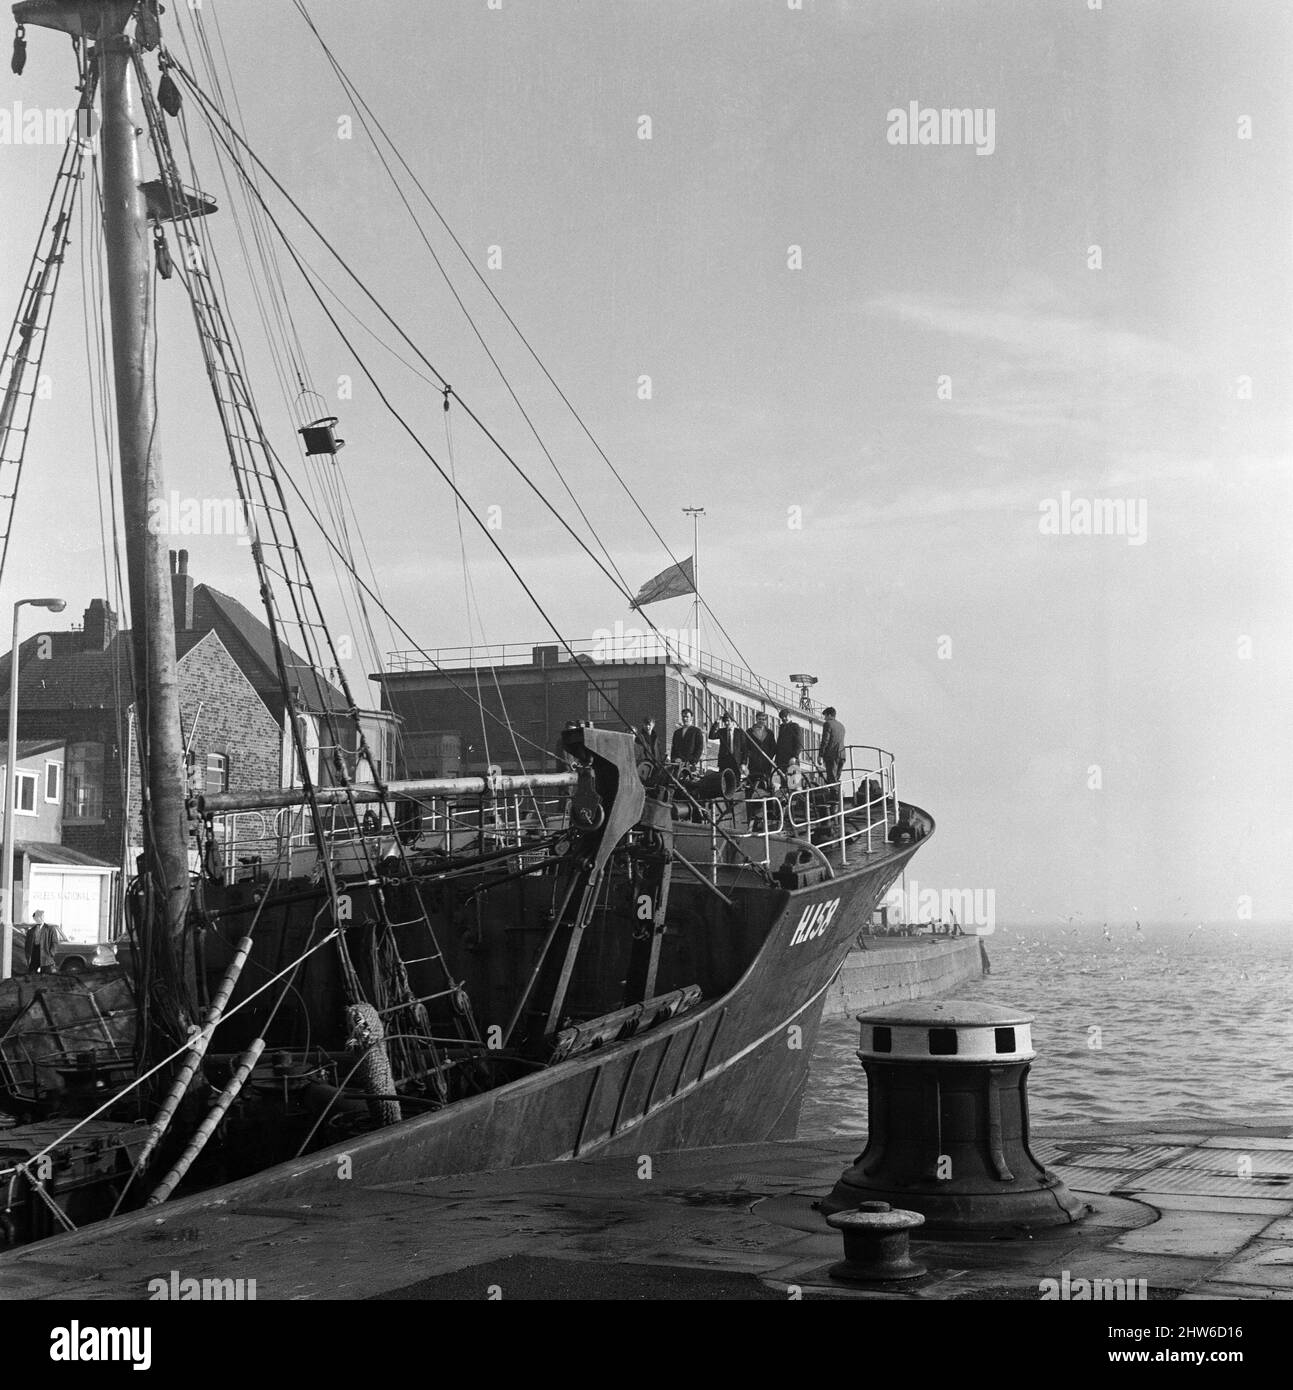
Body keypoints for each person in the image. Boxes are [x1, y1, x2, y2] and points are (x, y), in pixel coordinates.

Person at [745, 711, 778, 793]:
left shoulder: (770, 733)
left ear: (766, 721)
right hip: (754, 763)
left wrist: (768, 757)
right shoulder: (749, 732)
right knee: (753, 783)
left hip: (766, 763)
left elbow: (773, 747)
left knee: (767, 783)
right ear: (756, 719)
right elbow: (745, 747)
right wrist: (751, 756)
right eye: (759, 719)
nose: (761, 721)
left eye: (763, 719)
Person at [24, 909, 63, 974]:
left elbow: (55, 942)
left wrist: (51, 953)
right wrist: (28, 955)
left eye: (42, 916)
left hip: (46, 955)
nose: (41, 918)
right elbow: (27, 944)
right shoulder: (31, 931)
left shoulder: (50, 929)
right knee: (31, 975)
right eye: (38, 917)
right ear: (35, 918)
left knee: (47, 976)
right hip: (34, 955)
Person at [819, 705, 846, 785]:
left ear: (829, 715)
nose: (824, 718)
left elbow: (825, 741)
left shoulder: (827, 724)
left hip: (832, 755)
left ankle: (834, 795)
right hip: (842, 755)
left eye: (825, 716)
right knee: (836, 778)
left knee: (831, 778)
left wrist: (820, 755)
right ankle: (837, 793)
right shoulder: (841, 726)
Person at [774, 708, 802, 777]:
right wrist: (777, 759)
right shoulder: (781, 728)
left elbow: (798, 743)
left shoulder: (795, 727)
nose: (784, 719)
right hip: (781, 761)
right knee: (783, 782)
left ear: (789, 716)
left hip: (791, 759)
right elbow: (779, 744)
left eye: (785, 716)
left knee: (793, 781)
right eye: (782, 717)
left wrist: (794, 757)